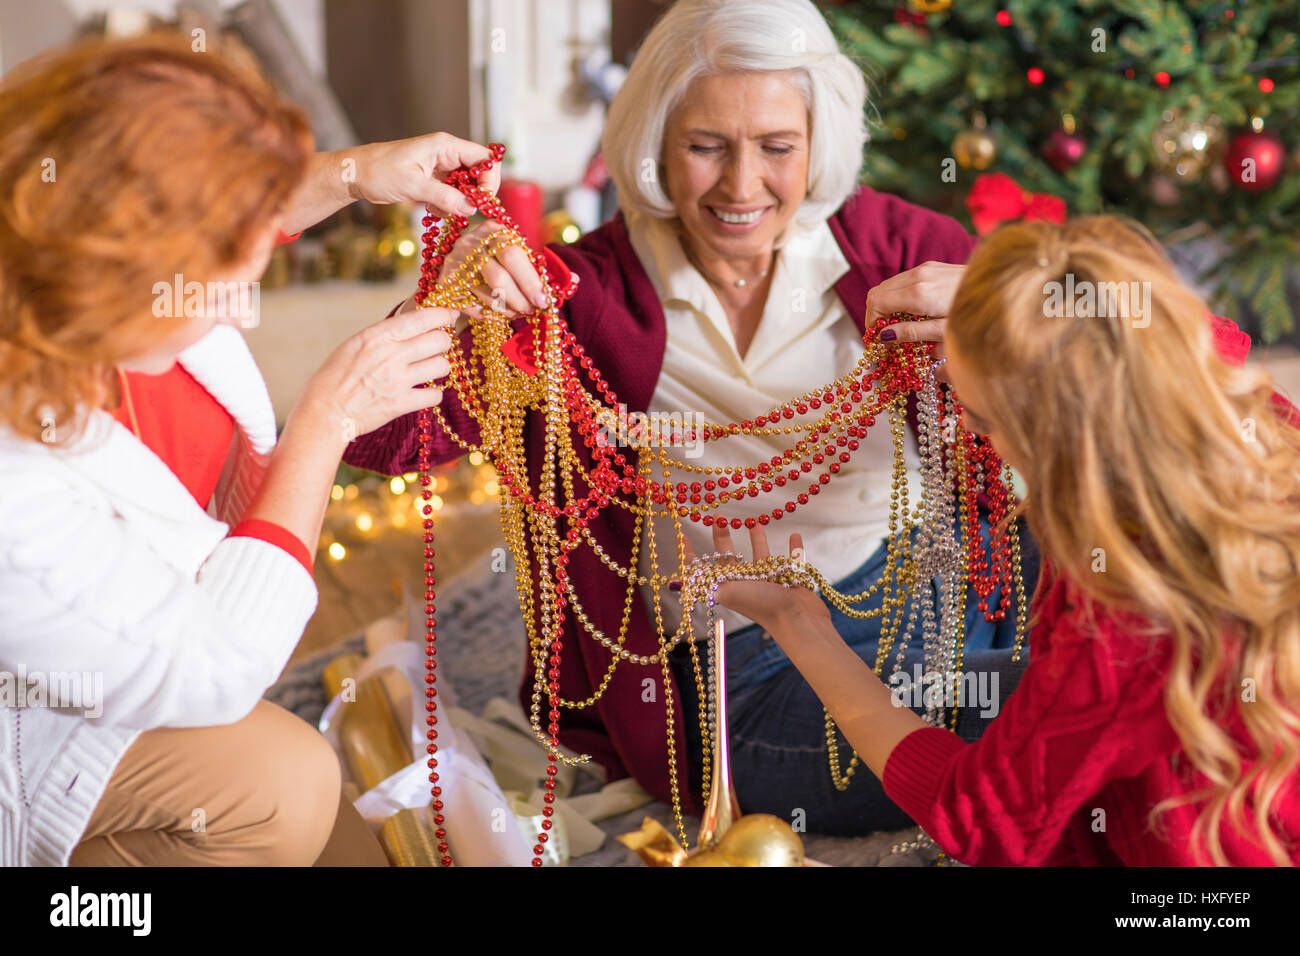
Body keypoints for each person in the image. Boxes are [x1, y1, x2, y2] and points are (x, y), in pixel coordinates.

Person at [343, 0, 1035, 834]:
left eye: (777, 147)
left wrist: (1024, 315)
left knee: (1172, 614)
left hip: (936, 590)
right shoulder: (578, 294)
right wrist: (453, 303)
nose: (743, 188)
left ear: (819, 142)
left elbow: (1168, 385)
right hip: (741, 667)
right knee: (1034, 730)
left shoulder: (900, 246)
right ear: (653, 145)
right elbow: (378, 440)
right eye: (705, 147)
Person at [0, 33, 495, 866]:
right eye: (231, 260)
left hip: (147, 671)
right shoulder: (21, 484)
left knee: (360, 845)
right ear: (128, 266)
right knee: (291, 785)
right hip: (48, 724)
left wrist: (357, 174)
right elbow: (213, 665)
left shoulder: (83, 270)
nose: (253, 277)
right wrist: (326, 423)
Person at [699, 215, 1300, 865]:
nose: (979, 438)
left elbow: (980, 818)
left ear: (1052, 436)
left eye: (982, 420)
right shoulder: (1259, 428)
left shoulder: (1121, 613)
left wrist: (799, 625)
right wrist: (1026, 298)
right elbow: (1204, 340)